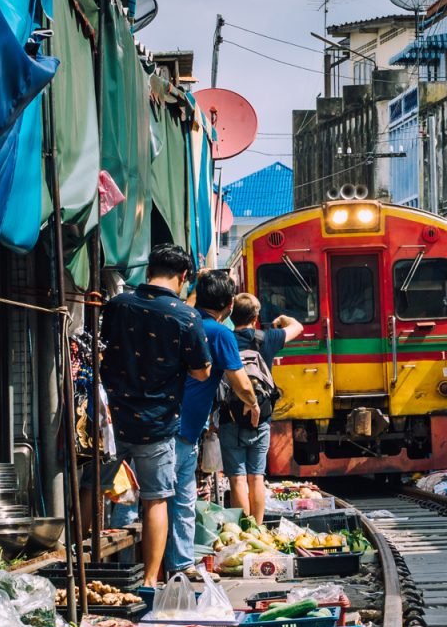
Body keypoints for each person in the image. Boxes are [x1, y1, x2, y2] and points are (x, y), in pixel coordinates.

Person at [100, 244, 212, 586]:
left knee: (96, 489)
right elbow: (202, 372)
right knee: (155, 499)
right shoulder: (185, 316)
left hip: (109, 420)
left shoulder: (117, 306)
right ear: (183, 278)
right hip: (157, 422)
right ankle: (149, 581)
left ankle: (91, 569)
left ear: (149, 271)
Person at [175, 271, 260, 581]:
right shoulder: (219, 332)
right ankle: (180, 566)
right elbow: (240, 383)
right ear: (227, 304)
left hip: (162, 418)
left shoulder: (184, 318)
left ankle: (163, 566)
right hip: (184, 427)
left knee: (155, 496)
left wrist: (197, 286)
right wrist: (252, 403)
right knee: (181, 498)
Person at [219, 292, 303, 521]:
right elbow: (297, 327)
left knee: (236, 477)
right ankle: (257, 526)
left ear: (231, 315)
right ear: (255, 316)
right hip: (261, 419)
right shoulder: (267, 338)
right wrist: (282, 319)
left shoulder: (224, 339)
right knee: (256, 477)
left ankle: (243, 531)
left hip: (229, 417)